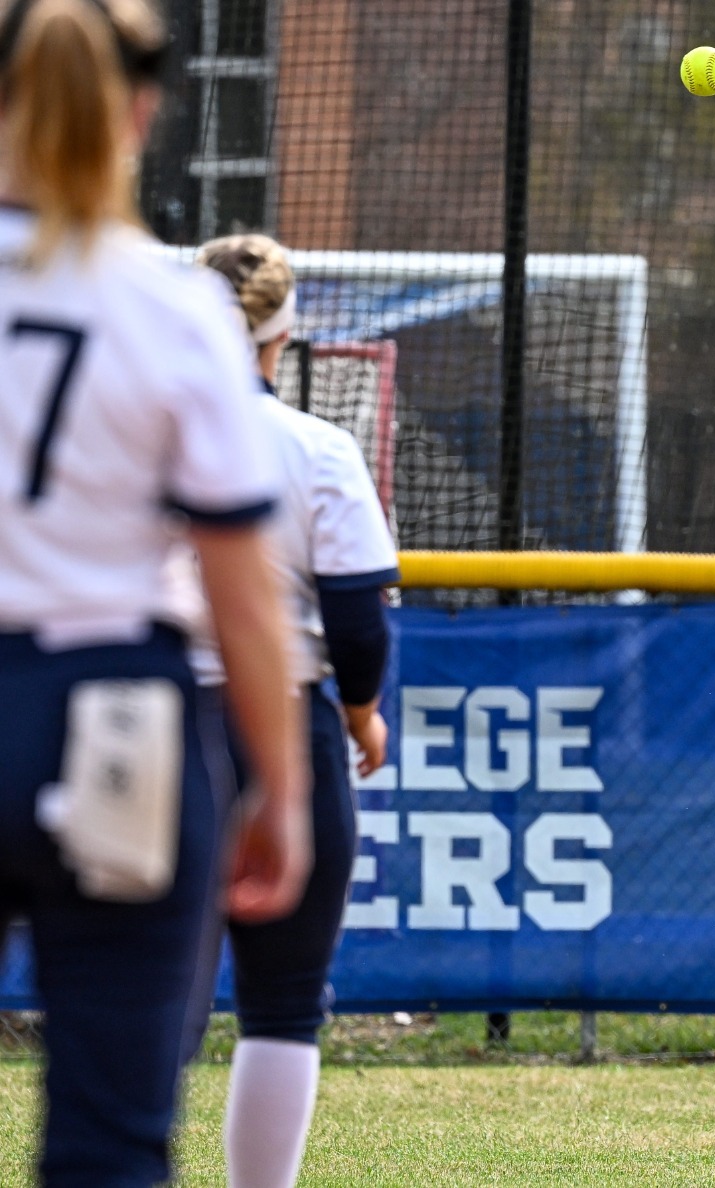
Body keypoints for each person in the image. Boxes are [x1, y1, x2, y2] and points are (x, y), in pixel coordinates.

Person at [0, 0, 310, 1182]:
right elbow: (242, 591)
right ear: (142, 112)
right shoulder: (173, 306)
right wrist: (279, 788)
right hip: (116, 706)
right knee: (112, 1142)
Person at [184, 233, 397, 1188]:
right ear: (284, 330)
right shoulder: (315, 446)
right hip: (285, 721)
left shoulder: (139, 433)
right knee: (283, 1001)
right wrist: (361, 714)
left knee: (141, 987)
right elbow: (356, 619)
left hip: (150, 714)